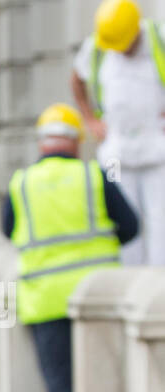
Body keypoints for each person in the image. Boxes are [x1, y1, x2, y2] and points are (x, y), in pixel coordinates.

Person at [3, 104, 138, 392]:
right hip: (99, 298)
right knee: (107, 381)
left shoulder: (22, 183)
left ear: (41, 143)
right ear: (77, 141)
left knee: (60, 386)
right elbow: (131, 227)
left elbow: (8, 231)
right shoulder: (94, 176)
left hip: (44, 301)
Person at [71, 0, 165, 265]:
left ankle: (159, 284)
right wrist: (90, 120)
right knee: (123, 220)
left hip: (157, 147)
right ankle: (127, 280)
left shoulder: (159, 39)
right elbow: (77, 79)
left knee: (161, 220)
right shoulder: (99, 47)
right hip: (117, 149)